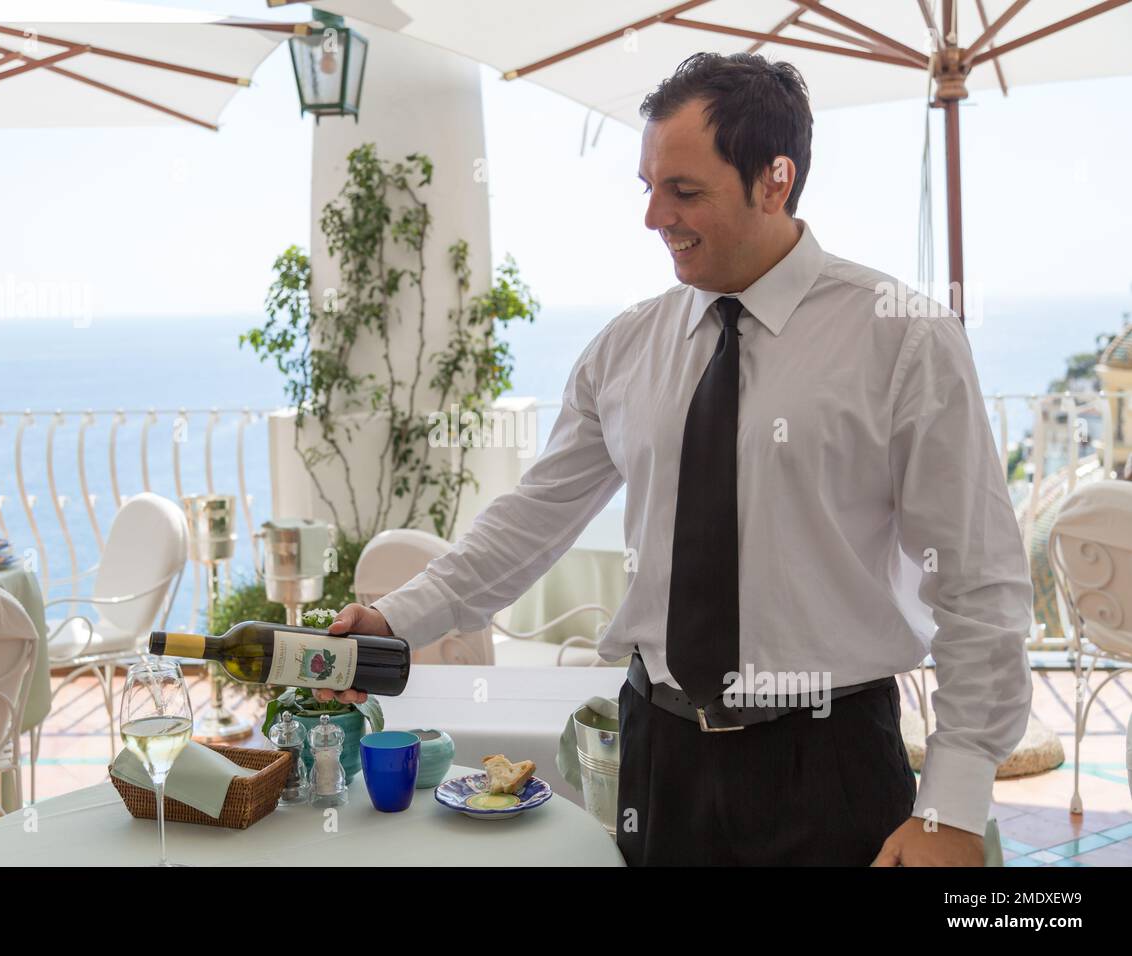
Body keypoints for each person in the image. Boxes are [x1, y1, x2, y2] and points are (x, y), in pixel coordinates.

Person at [316, 51, 1033, 866]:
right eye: (648, 186)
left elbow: (981, 582)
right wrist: (394, 621)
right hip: (658, 760)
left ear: (775, 179)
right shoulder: (627, 348)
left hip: (829, 765)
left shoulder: (904, 339)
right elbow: (532, 520)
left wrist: (954, 806)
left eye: (684, 191)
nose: (654, 217)